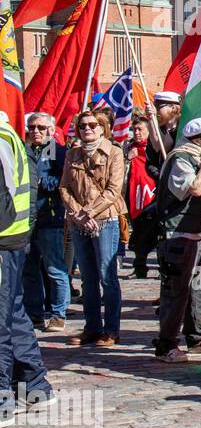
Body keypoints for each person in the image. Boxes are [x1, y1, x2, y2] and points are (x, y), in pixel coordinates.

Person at [0, 107, 57, 428]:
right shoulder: (10, 136)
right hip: (14, 240)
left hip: (5, 240)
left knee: (2, 318)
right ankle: (34, 386)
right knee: (14, 313)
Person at [151, 117, 201, 362]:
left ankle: (195, 337)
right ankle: (166, 344)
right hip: (178, 235)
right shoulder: (181, 158)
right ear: (200, 139)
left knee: (198, 288)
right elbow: (194, 188)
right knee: (176, 290)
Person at [59, 110, 125, 347]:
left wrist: (89, 212)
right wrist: (77, 213)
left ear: (102, 128)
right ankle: (92, 327)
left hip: (105, 220)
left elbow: (113, 189)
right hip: (79, 222)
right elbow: (64, 187)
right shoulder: (72, 154)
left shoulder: (114, 153)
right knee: (87, 277)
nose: (87, 128)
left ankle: (111, 330)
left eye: (92, 125)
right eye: (82, 125)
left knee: (108, 277)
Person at [22, 112, 70, 330]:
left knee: (55, 268)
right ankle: (34, 313)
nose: (36, 132)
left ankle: (58, 313)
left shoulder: (58, 152)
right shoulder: (24, 151)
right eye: (32, 127)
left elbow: (63, 181)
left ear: (51, 130)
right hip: (26, 219)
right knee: (29, 269)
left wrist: (39, 182)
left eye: (41, 128)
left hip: (50, 217)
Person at [123, 116, 159, 280]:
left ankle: (161, 269)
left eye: (140, 129)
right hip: (133, 195)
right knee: (137, 232)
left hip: (151, 196)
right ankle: (139, 267)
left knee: (153, 233)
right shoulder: (129, 148)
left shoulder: (155, 149)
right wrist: (127, 158)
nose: (136, 133)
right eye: (134, 129)